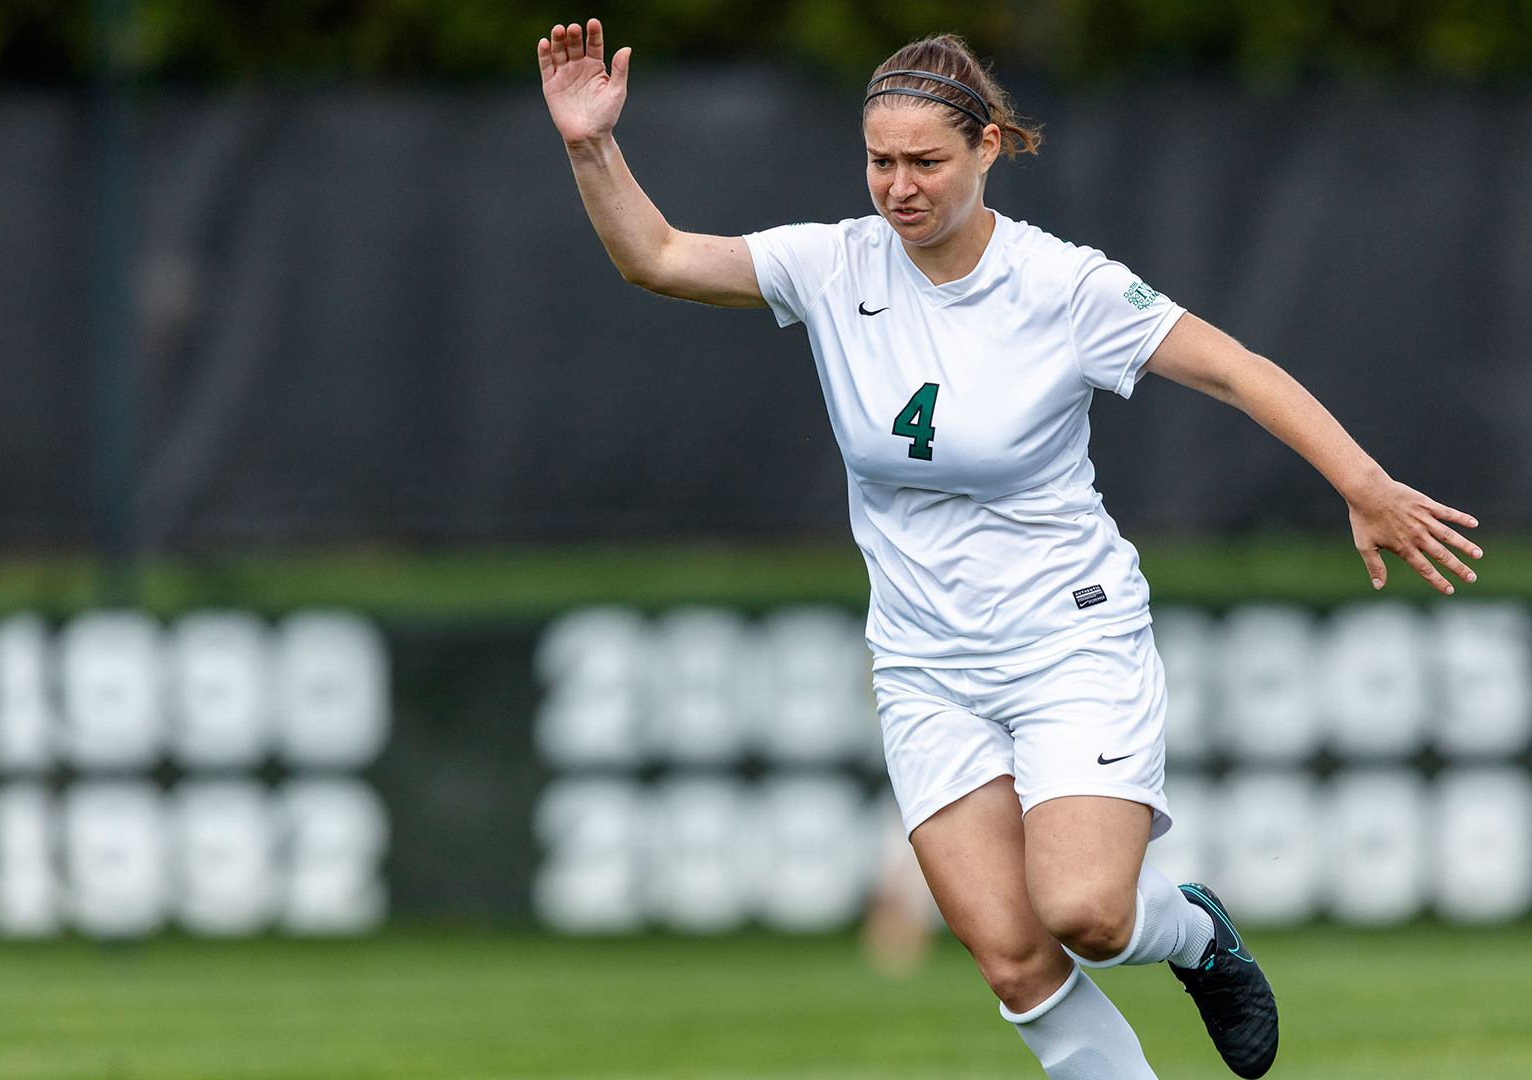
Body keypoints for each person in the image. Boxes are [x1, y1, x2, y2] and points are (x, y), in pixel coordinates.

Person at [537, 19, 1482, 1080]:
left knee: (1086, 912)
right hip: (925, 665)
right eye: (881, 161)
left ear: (988, 149)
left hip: (1066, 640)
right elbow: (657, 257)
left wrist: (1362, 483)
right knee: (1014, 963)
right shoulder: (832, 262)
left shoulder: (1063, 287)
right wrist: (590, 145)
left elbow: (1235, 369)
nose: (900, 187)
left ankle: (1196, 933)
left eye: (926, 162)